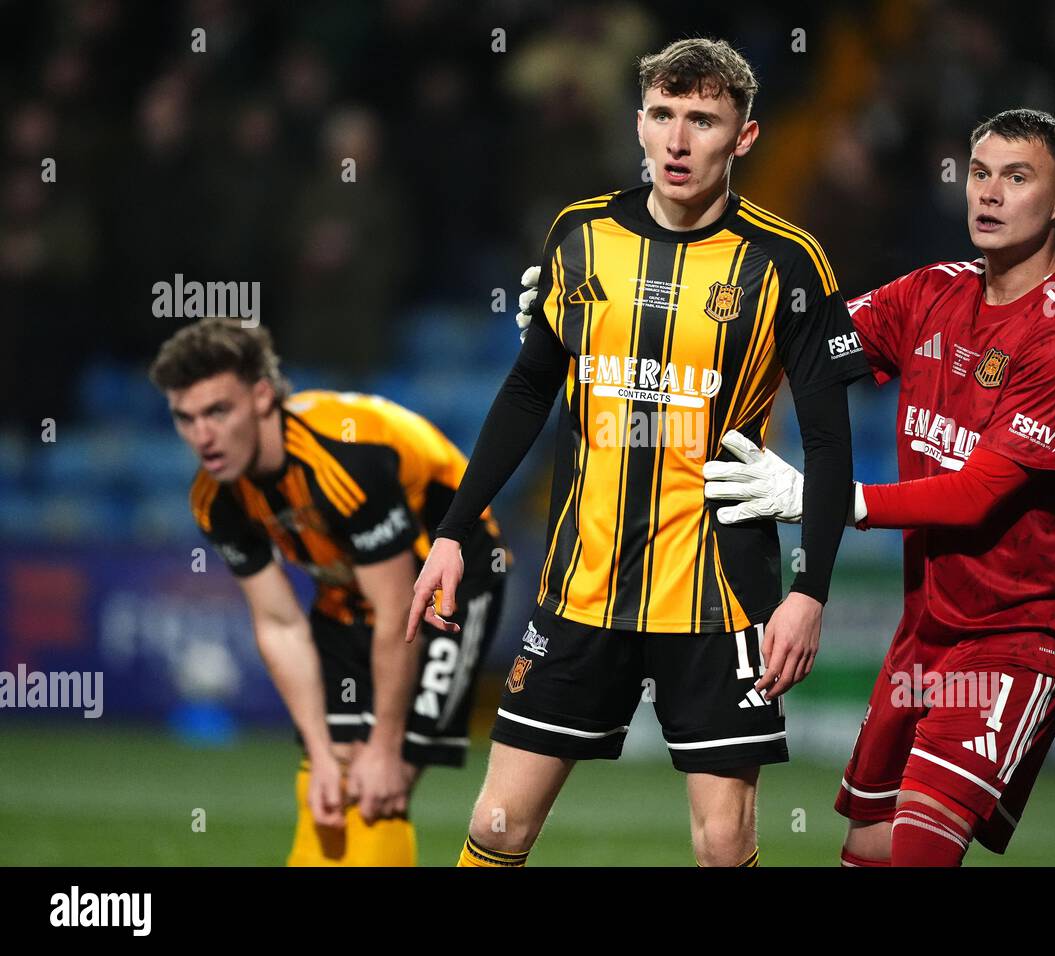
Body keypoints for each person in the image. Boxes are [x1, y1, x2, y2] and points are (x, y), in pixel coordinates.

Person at [408, 37, 868, 868]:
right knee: (497, 826)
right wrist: (452, 528)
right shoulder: (579, 236)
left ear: (746, 135)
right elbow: (525, 392)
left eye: (703, 119)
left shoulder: (787, 261)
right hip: (584, 583)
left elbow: (830, 442)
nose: (679, 140)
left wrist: (812, 591)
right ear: (639, 124)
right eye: (663, 115)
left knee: (723, 844)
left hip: (719, 596)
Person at [702, 109, 1055, 865]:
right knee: (867, 846)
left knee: (923, 843)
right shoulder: (932, 293)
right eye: (981, 173)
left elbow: (975, 496)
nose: (989, 194)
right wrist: (610, 316)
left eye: (1017, 178)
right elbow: (799, 342)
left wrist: (826, 500)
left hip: (1022, 629)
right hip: (929, 623)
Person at [150, 316, 507, 865]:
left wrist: (387, 747)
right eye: (186, 418)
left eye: (218, 411)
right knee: (327, 779)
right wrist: (319, 752)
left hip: (447, 584)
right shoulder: (214, 498)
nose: (203, 436)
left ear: (262, 396)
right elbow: (279, 623)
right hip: (346, 597)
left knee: (377, 791)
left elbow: (395, 611)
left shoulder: (343, 460)